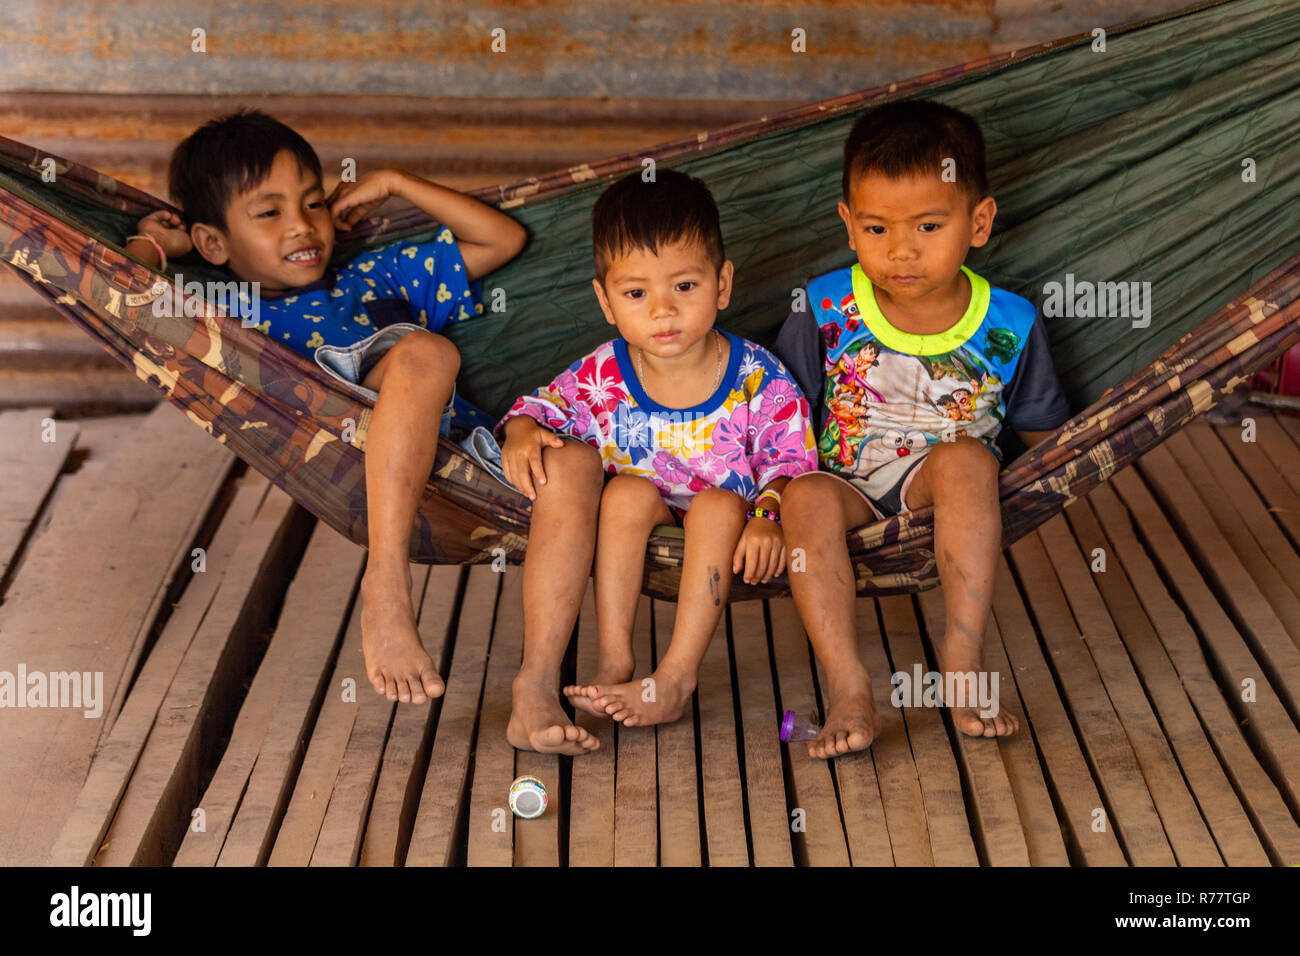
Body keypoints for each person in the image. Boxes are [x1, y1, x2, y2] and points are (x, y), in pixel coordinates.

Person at [128, 108, 526, 706]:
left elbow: (504, 239)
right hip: (335, 445)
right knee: (425, 352)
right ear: (213, 241)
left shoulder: (372, 276)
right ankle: (387, 585)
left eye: (313, 203)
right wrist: (155, 244)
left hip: (457, 457)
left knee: (427, 357)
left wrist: (395, 181)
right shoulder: (224, 310)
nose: (301, 226)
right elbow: (120, 291)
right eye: (270, 212)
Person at [775, 99, 1072, 758]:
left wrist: (1084, 477)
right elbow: (780, 419)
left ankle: (961, 666)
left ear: (979, 222)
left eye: (929, 225)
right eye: (876, 228)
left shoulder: (1008, 324)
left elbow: (1045, 434)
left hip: (938, 490)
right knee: (805, 497)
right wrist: (760, 508)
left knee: (969, 459)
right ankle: (849, 685)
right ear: (849, 225)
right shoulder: (824, 306)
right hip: (843, 485)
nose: (901, 250)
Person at [498, 169, 816, 752]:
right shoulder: (605, 373)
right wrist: (520, 428)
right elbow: (543, 408)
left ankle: (675, 676)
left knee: (719, 505)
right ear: (605, 301)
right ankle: (615, 656)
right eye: (637, 294)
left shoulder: (757, 377)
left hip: (723, 527)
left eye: (685, 288)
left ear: (722, 285)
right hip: (646, 519)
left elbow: (791, 461)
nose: (663, 312)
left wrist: (768, 516)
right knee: (624, 493)